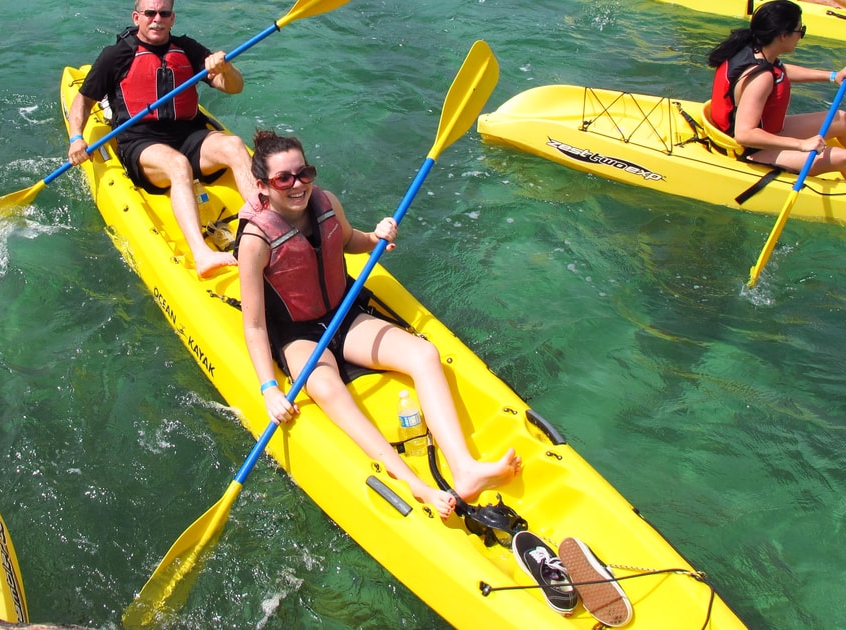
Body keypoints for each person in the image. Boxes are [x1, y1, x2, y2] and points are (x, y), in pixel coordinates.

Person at [236, 130, 522, 519]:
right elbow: (253, 325)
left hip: (344, 315)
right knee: (326, 387)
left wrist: (376, 237)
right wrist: (269, 388)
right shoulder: (255, 240)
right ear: (262, 186)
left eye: (304, 173)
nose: (298, 184)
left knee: (423, 354)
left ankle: (465, 469)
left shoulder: (326, 202)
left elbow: (349, 239)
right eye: (283, 178)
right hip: (297, 332)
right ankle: (413, 483)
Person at [67, 0, 257, 277]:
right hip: (140, 142)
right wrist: (75, 138)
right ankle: (201, 253)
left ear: (172, 18)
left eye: (164, 13)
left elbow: (234, 88)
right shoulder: (115, 55)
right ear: (137, 17)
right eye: (150, 13)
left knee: (234, 145)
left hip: (189, 134)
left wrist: (226, 68)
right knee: (177, 165)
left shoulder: (188, 49)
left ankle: (267, 228)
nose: (157, 19)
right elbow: (83, 102)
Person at [707, 0, 846, 190]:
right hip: (752, 149)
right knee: (845, 158)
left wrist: (832, 76)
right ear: (783, 36)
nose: (800, 36)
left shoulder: (752, 48)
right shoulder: (760, 79)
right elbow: (745, 135)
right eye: (799, 31)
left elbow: (781, 70)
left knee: (840, 119)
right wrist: (801, 145)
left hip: (766, 133)